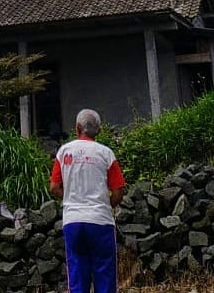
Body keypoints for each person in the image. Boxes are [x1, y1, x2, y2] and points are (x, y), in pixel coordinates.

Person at [49, 108, 126, 293]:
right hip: (100, 221)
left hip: (73, 221)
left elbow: (54, 187)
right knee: (105, 274)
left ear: (77, 128)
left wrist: (71, 199)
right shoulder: (106, 153)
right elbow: (118, 192)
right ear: (99, 130)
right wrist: (106, 205)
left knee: (77, 275)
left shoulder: (64, 152)